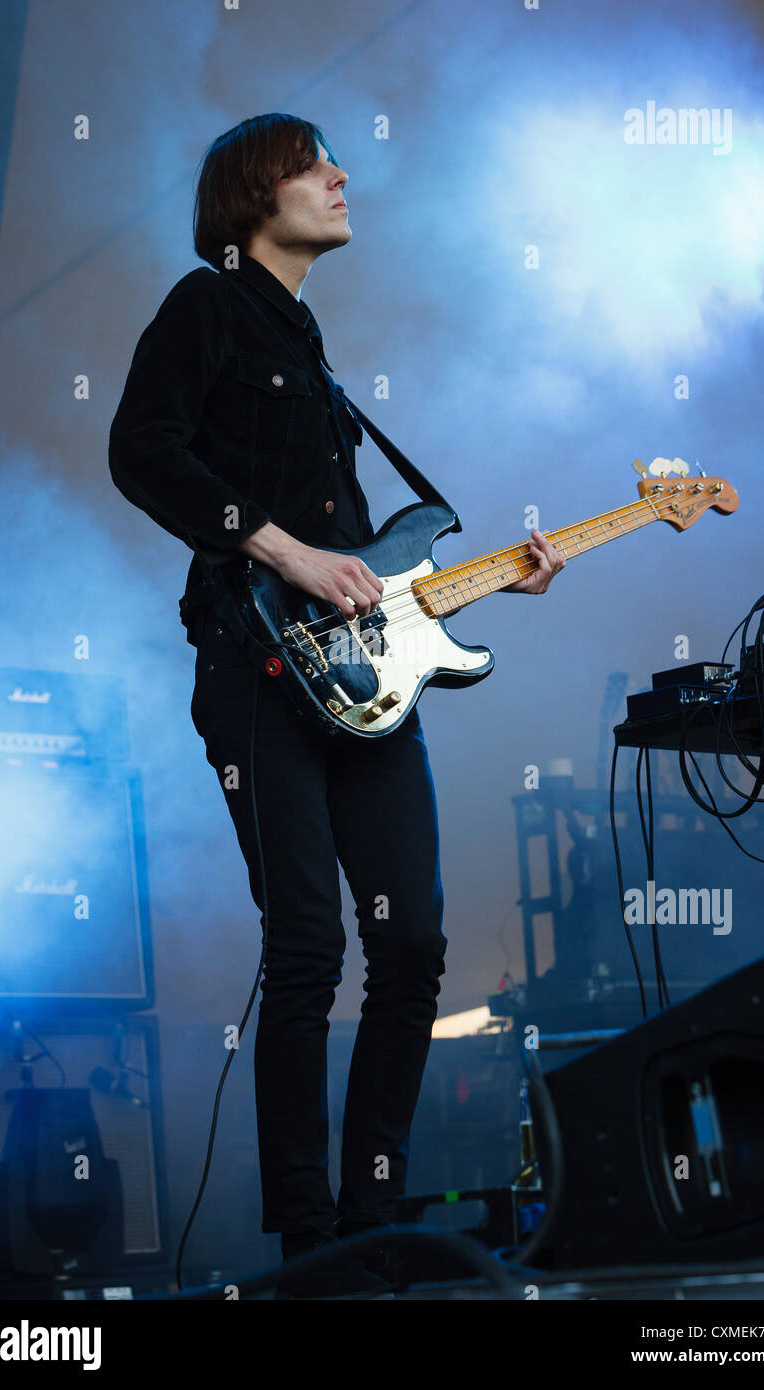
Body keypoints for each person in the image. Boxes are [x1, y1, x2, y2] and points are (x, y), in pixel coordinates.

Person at [108, 113, 565, 1299]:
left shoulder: (309, 352)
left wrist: (479, 581)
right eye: (315, 166)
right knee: (308, 944)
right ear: (253, 193)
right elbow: (141, 451)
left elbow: (370, 575)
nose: (341, 177)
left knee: (410, 941)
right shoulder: (201, 308)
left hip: (360, 686)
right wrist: (285, 552)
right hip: (253, 671)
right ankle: (311, 1243)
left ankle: (373, 1218)